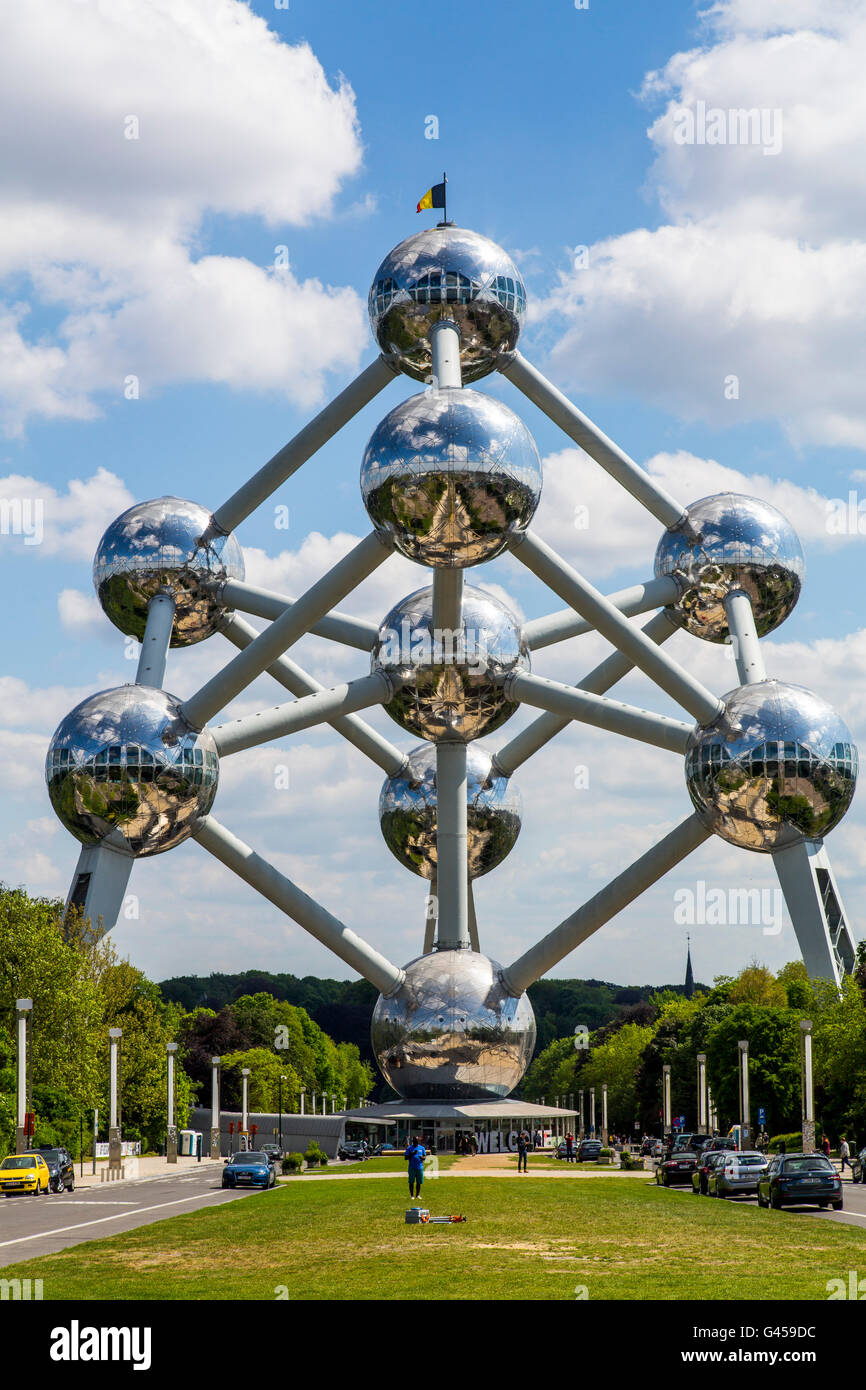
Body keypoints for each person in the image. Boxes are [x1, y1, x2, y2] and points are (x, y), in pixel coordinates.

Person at [404, 1135, 426, 1200]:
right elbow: (406, 1157)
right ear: (413, 1141)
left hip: (419, 1167)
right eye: (414, 1140)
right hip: (412, 1167)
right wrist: (412, 1154)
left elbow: (425, 1157)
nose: (416, 1141)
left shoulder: (422, 1148)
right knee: (411, 1182)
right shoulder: (409, 1148)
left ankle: (418, 1195)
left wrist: (422, 1157)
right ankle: (412, 1195)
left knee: (419, 1182)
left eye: (417, 1140)